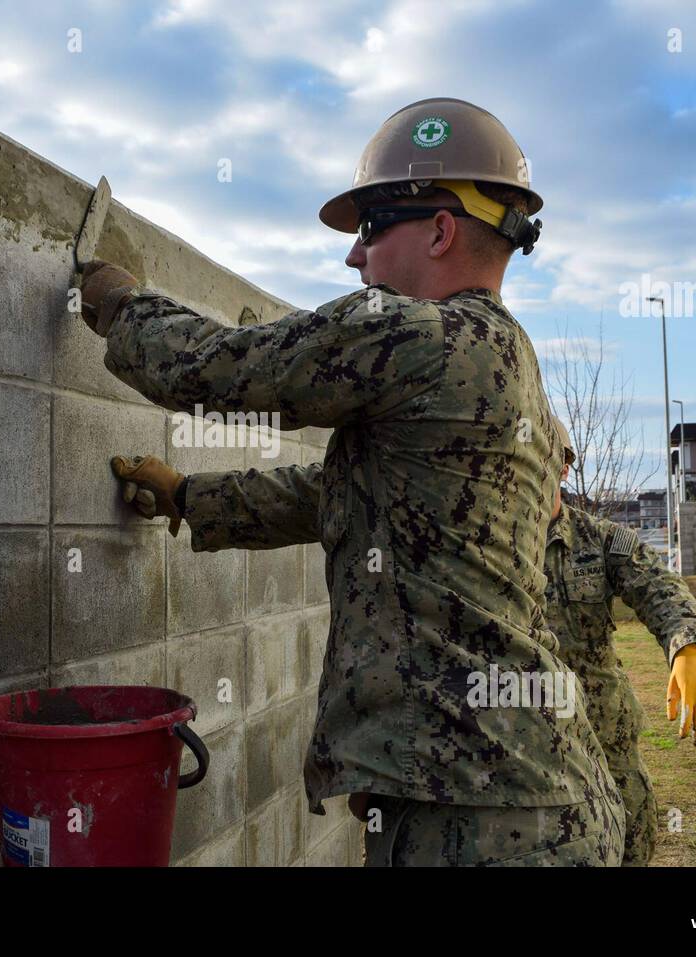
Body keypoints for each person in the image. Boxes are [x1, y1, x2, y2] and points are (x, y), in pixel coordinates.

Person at [80, 98, 622, 866]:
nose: (353, 257)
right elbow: (345, 497)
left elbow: (221, 369)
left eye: (372, 227)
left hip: (475, 816)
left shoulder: (415, 335)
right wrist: (187, 497)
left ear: (440, 229)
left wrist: (116, 302)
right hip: (536, 799)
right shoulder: (509, 361)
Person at [543, 416, 696, 865]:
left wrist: (687, 646)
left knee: (630, 841)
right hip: (517, 734)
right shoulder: (488, 543)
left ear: (564, 467)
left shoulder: (601, 539)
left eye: (544, 459)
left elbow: (660, 587)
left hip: (602, 733)